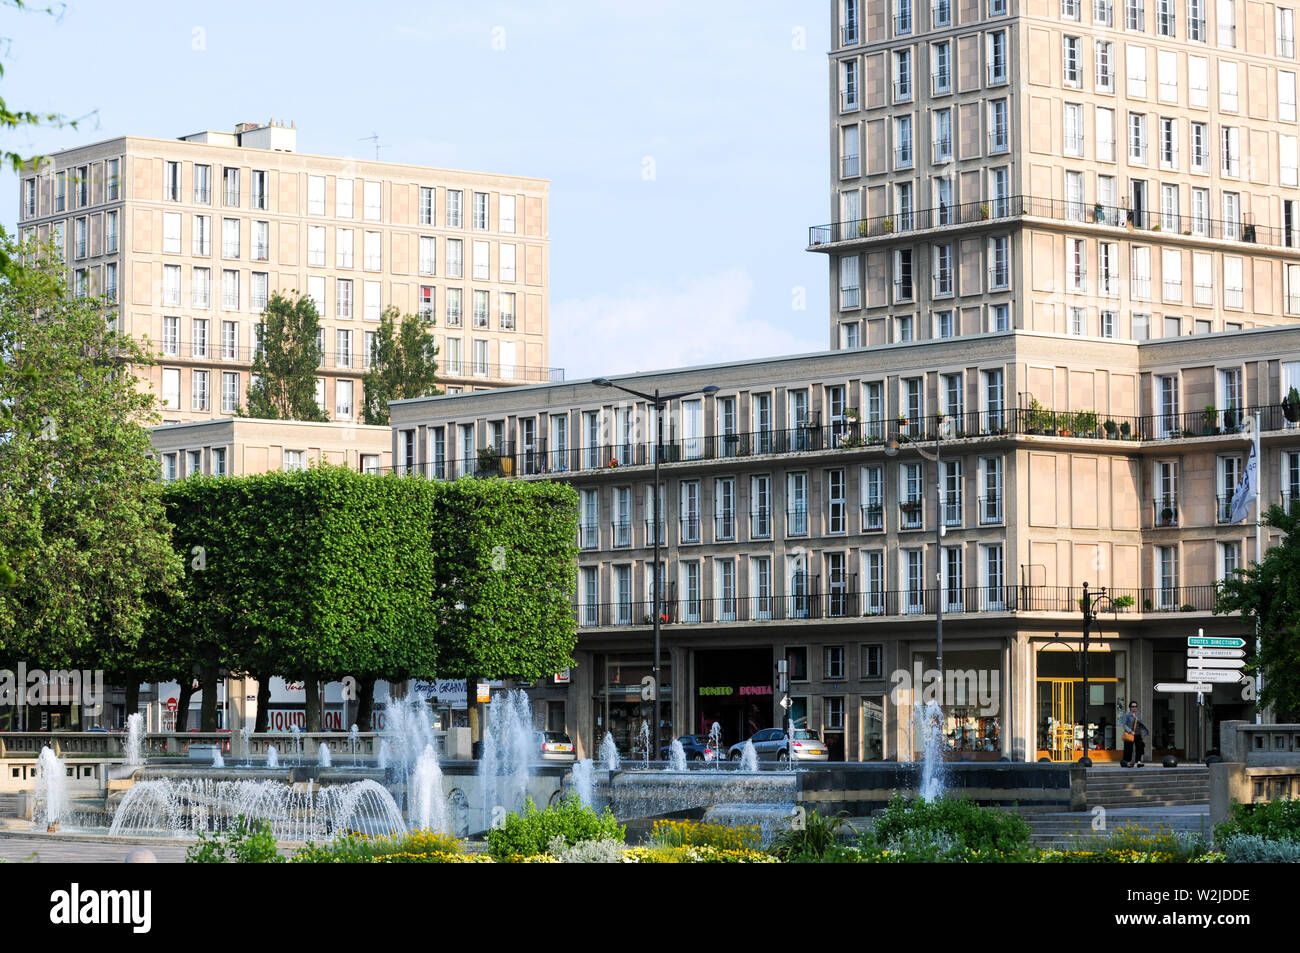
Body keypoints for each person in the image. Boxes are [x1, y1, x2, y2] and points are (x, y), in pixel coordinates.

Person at [1121, 701, 1149, 767]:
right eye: (1133, 706)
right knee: (1128, 749)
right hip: (1129, 734)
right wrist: (1130, 731)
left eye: (1136, 706)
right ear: (1130, 708)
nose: (1134, 708)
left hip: (1138, 733)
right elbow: (1124, 725)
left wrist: (1135, 718)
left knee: (1139, 747)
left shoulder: (1138, 715)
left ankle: (1138, 762)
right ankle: (1127, 762)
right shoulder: (1126, 715)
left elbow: (1140, 723)